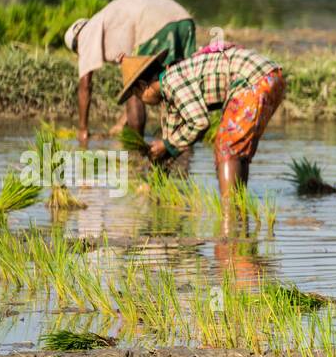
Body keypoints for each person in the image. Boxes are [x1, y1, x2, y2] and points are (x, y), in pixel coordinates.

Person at [116, 44, 285, 233]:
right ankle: (239, 221)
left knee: (226, 146)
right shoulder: (172, 92)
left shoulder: (173, 81)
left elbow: (199, 123)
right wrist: (156, 174)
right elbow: (174, 138)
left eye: (138, 95)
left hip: (254, 78)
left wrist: (166, 145)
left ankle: (230, 223)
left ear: (143, 86)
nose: (141, 100)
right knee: (239, 152)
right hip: (269, 76)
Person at [63, 0, 196, 144]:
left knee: (134, 83)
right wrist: (121, 124)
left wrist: (82, 129)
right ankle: (185, 143)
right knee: (179, 81)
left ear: (77, 43)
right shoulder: (107, 21)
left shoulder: (85, 34)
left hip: (155, 24)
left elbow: (84, 87)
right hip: (183, 18)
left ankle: (136, 148)